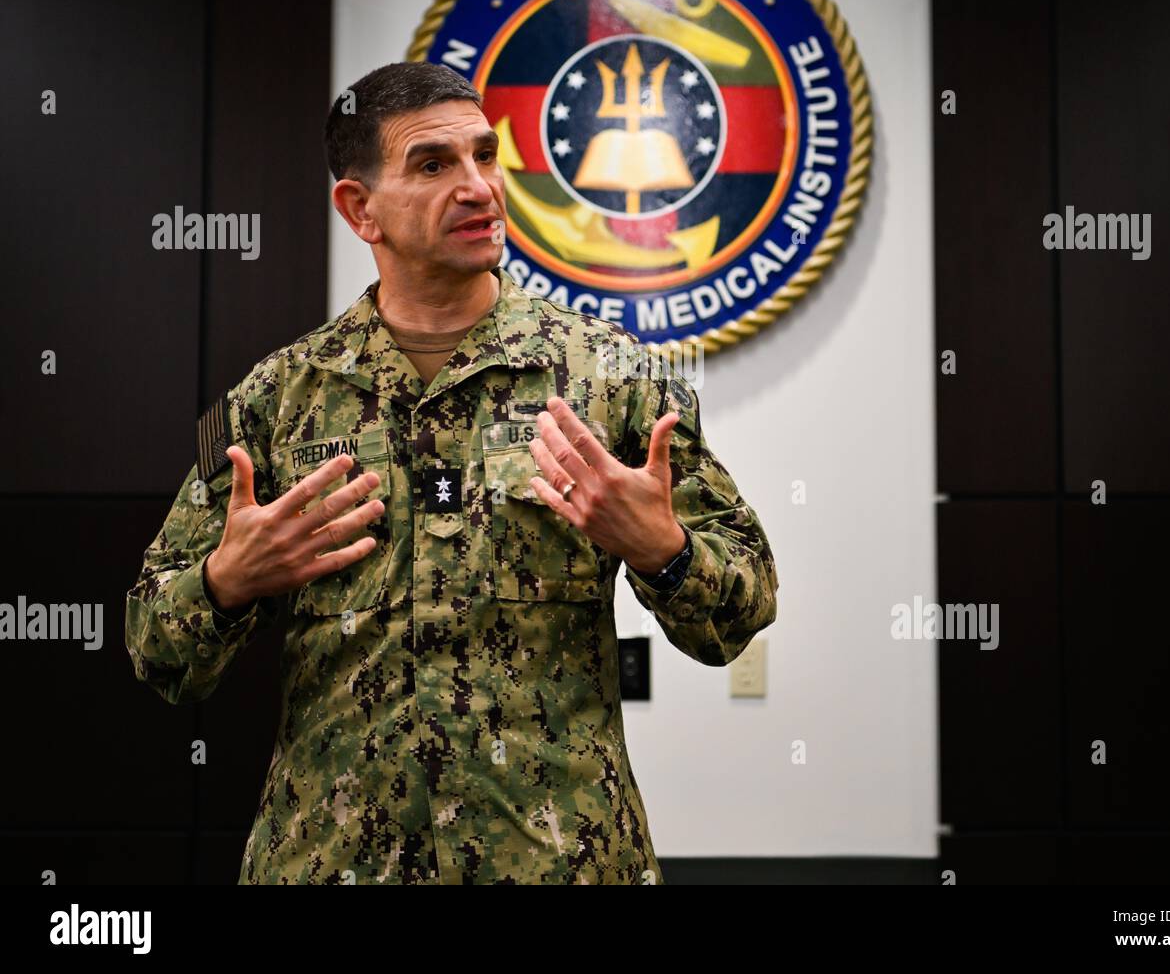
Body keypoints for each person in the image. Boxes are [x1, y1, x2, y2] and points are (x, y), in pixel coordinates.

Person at [124, 61, 778, 884]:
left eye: (485, 155)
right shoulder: (277, 399)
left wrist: (665, 551)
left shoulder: (608, 377)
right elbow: (157, 652)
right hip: (330, 863)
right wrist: (226, 581)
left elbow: (743, 607)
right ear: (360, 209)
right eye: (433, 165)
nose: (478, 187)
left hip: (558, 862)